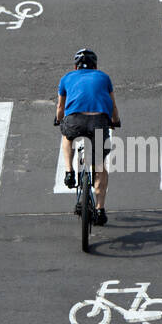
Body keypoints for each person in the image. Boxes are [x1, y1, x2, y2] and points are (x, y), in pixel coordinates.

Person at [55, 49, 120, 226]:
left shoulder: (67, 78)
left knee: (67, 137)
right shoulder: (103, 77)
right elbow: (112, 106)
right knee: (99, 165)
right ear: (95, 66)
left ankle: (69, 171)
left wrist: (58, 119)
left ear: (75, 67)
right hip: (99, 120)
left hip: (75, 119)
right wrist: (115, 121)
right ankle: (100, 209)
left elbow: (61, 107)